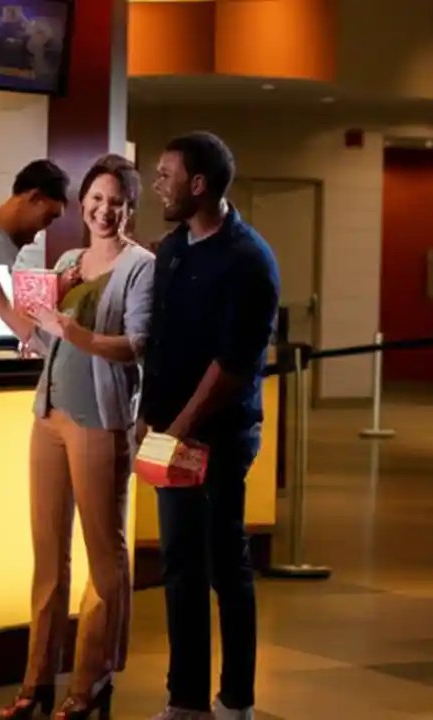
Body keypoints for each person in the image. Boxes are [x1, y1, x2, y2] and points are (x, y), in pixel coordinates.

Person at [0, 154, 154, 720]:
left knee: (105, 558)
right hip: (50, 414)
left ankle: (89, 683)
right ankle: (35, 683)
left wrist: (77, 331)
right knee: (48, 557)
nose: (103, 210)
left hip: (101, 419)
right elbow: (48, 344)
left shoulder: (142, 267)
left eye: (116, 201)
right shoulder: (67, 260)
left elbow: (137, 346)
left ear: (130, 208)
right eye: (96, 199)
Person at [140, 133, 280, 720]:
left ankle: (236, 700)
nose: (157, 184)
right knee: (180, 564)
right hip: (171, 432)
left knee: (226, 562)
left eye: (166, 174)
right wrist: (150, 425)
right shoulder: (174, 250)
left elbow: (231, 366)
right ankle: (187, 701)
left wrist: (180, 430)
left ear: (198, 185)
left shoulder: (248, 260)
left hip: (218, 437)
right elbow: (163, 345)